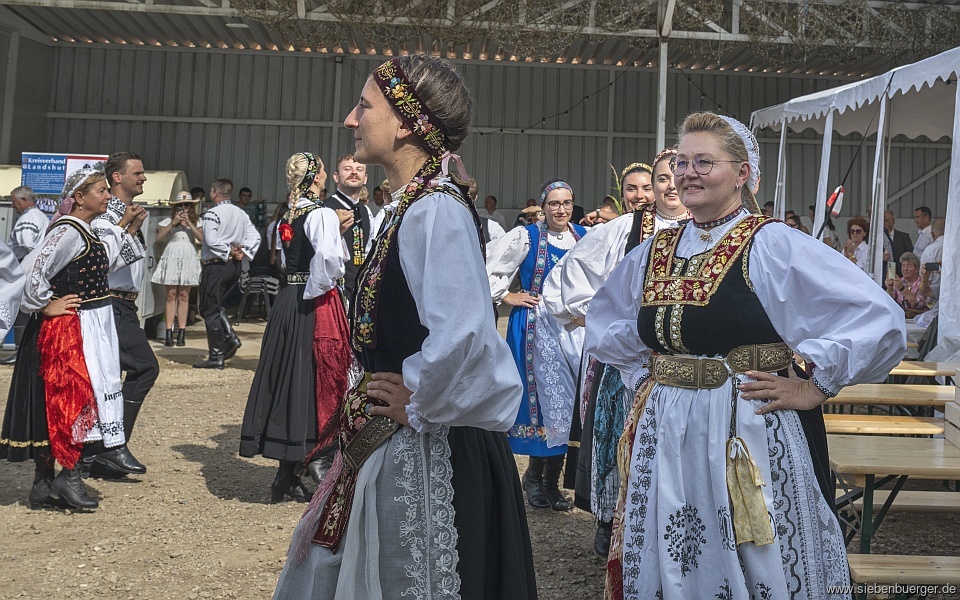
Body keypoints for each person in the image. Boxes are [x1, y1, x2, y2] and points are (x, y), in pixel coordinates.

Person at [586, 112, 905, 599]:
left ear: (742, 174)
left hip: (745, 426)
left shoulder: (771, 242)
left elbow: (877, 317)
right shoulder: (655, 249)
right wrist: (646, 374)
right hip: (667, 425)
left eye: (704, 162)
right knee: (673, 548)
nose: (688, 172)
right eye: (681, 161)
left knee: (755, 552)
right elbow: (607, 321)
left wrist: (814, 386)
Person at [273, 55, 536, 600]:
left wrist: (418, 397)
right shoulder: (410, 205)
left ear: (407, 123)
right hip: (402, 428)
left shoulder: (433, 210)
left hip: (430, 439)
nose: (350, 118)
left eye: (365, 106)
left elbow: (461, 332)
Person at [541, 152, 690, 557]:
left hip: (688, 367)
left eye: (677, 176)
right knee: (623, 441)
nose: (670, 185)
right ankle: (612, 526)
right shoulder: (625, 228)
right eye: (661, 178)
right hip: (631, 364)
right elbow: (566, 279)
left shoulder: (708, 229)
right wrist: (601, 316)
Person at [0, 168, 150, 510]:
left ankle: (44, 484)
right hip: (65, 331)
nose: (108, 195)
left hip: (87, 325)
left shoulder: (86, 230)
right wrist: (43, 305)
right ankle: (67, 476)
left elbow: (107, 263)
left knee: (65, 399)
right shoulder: (67, 231)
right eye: (101, 190)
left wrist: (129, 227)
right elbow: (31, 270)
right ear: (80, 198)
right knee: (70, 399)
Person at [240, 152, 352, 503]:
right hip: (312, 302)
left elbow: (290, 258)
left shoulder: (288, 214)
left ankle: (285, 476)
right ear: (316, 178)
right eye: (320, 170)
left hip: (289, 299)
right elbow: (330, 260)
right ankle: (317, 459)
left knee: (293, 381)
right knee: (319, 377)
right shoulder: (321, 213)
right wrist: (323, 290)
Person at [486, 179, 587, 512]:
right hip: (534, 326)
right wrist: (506, 295)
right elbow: (491, 270)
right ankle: (535, 478)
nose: (561, 209)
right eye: (554, 203)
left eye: (566, 203)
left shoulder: (583, 238)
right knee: (538, 404)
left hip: (571, 328)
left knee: (568, 405)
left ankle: (550, 481)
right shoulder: (526, 236)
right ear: (543, 207)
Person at [87, 152, 154, 479]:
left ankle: (99, 452)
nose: (143, 178)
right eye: (137, 173)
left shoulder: (129, 214)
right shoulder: (106, 215)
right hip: (111, 301)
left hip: (125, 303)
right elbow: (105, 261)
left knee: (109, 379)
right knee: (144, 367)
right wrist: (128, 227)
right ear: (117, 177)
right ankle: (112, 446)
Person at [193, 178, 261, 369]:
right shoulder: (240, 213)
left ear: (214, 192)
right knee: (216, 304)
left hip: (216, 265)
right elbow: (255, 235)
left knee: (209, 308)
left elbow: (211, 240)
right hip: (234, 266)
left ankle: (218, 353)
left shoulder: (212, 213)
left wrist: (229, 251)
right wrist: (243, 251)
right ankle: (228, 339)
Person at [2, 186, 49, 364]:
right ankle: (24, 351)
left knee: (18, 310)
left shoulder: (27, 218)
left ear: (23, 200)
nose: (13, 205)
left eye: (14, 201)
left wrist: (28, 264)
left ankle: (19, 351)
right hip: (32, 270)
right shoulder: (41, 216)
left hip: (20, 269)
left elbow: (27, 243)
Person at [152, 191, 203, 347]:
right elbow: (159, 237)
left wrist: (189, 224)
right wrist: (173, 223)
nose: (184, 208)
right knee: (171, 294)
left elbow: (201, 238)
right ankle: (168, 331)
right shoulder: (168, 220)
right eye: (181, 205)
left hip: (188, 255)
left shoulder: (197, 221)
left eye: (187, 205)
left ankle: (181, 332)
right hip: (173, 254)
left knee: (184, 295)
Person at [324, 154, 373, 301]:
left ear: (365, 178)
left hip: (358, 288)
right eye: (347, 169)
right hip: (333, 289)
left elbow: (369, 250)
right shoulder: (325, 209)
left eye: (359, 169)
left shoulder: (366, 211)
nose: (354, 172)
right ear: (336, 177)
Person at [885, 251, 929, 318]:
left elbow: (919, 304)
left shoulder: (923, 283)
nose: (905, 269)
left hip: (919, 319)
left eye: (909, 266)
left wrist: (902, 289)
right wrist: (889, 289)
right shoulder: (899, 281)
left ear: (917, 269)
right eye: (903, 266)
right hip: (901, 317)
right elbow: (888, 303)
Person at [918, 218, 945, 303]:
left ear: (932, 233)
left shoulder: (929, 251)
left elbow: (924, 285)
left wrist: (925, 277)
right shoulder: (956, 248)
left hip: (934, 299)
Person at [882, 209, 913, 275]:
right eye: (882, 221)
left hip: (901, 274)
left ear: (893, 221)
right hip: (884, 274)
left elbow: (910, 256)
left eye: (886, 220)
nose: (884, 222)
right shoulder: (878, 239)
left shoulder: (904, 237)